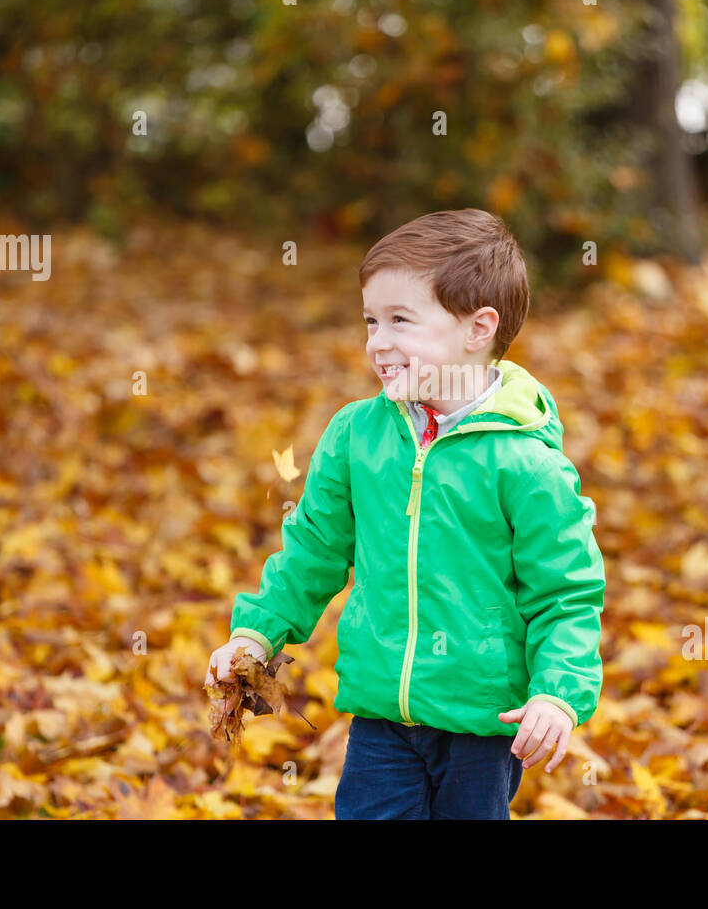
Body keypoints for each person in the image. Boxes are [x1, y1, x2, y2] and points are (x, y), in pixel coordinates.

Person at [205, 208, 605, 819]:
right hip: (381, 716)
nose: (377, 342)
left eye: (400, 321)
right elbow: (314, 549)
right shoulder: (356, 435)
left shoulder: (525, 462)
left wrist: (558, 695)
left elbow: (565, 593)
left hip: (483, 720)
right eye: (370, 320)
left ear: (478, 329)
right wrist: (258, 631)